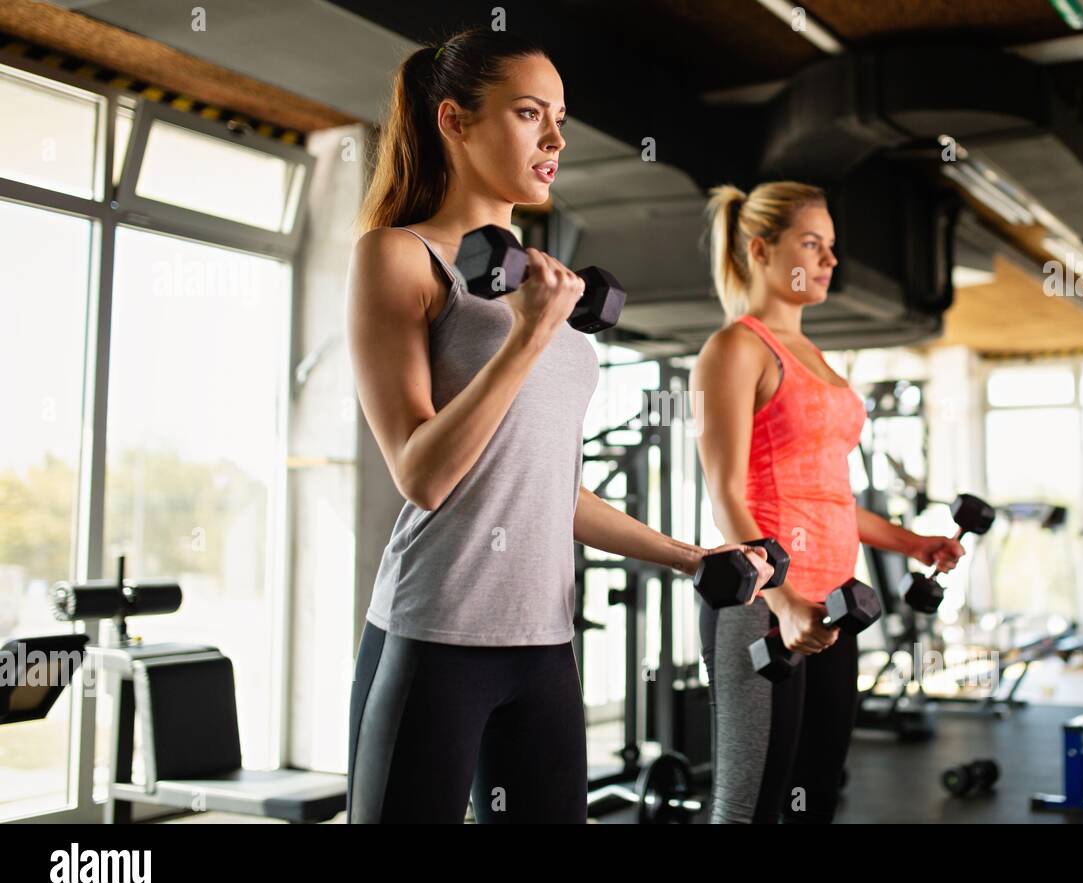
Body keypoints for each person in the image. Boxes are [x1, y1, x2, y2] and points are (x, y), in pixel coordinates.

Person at [344, 29, 771, 824]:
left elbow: (552, 489)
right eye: (529, 113)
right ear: (455, 121)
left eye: (561, 118)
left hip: (543, 642)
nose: (555, 139)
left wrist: (689, 555)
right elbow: (423, 473)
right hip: (435, 631)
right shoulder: (399, 258)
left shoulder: (542, 283)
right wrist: (532, 332)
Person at [691, 181, 963, 823]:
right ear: (760, 249)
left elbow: (833, 497)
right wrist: (781, 599)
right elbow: (725, 493)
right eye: (811, 244)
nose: (829, 260)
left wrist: (911, 542)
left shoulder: (815, 357)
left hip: (836, 603)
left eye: (831, 246)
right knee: (749, 807)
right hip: (761, 604)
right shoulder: (736, 348)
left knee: (815, 798)